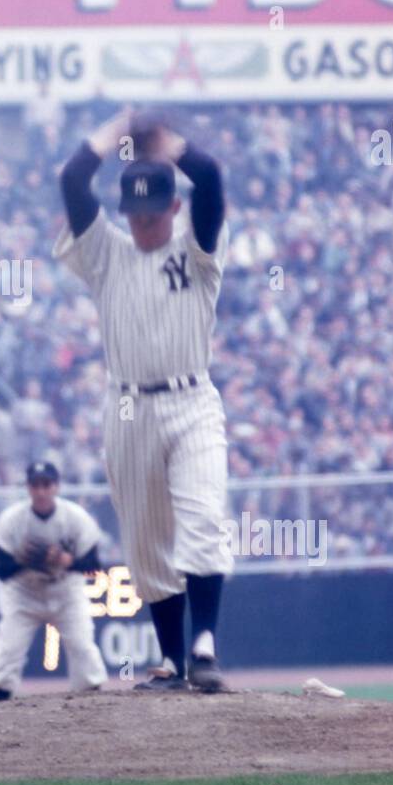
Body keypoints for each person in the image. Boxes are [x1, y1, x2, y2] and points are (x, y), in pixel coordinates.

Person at [54, 110, 233, 693]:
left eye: (152, 214)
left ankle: (204, 645)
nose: (141, 225)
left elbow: (210, 178)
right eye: (132, 214)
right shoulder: (107, 251)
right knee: (147, 544)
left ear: (173, 209)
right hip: (128, 408)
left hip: (191, 399)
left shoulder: (197, 249)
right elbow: (72, 182)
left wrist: (165, 144)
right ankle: (173, 662)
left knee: (204, 516)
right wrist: (114, 133)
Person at [0, 460, 106, 700]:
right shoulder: (12, 519)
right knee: (7, 652)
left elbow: (94, 567)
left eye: (46, 485)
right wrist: (28, 561)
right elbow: (2, 570)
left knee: (83, 649)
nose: (41, 491)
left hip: (66, 591)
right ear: (28, 488)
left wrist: (64, 560)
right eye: (35, 485)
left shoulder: (75, 517)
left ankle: (92, 711)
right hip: (24, 593)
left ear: (56, 487)